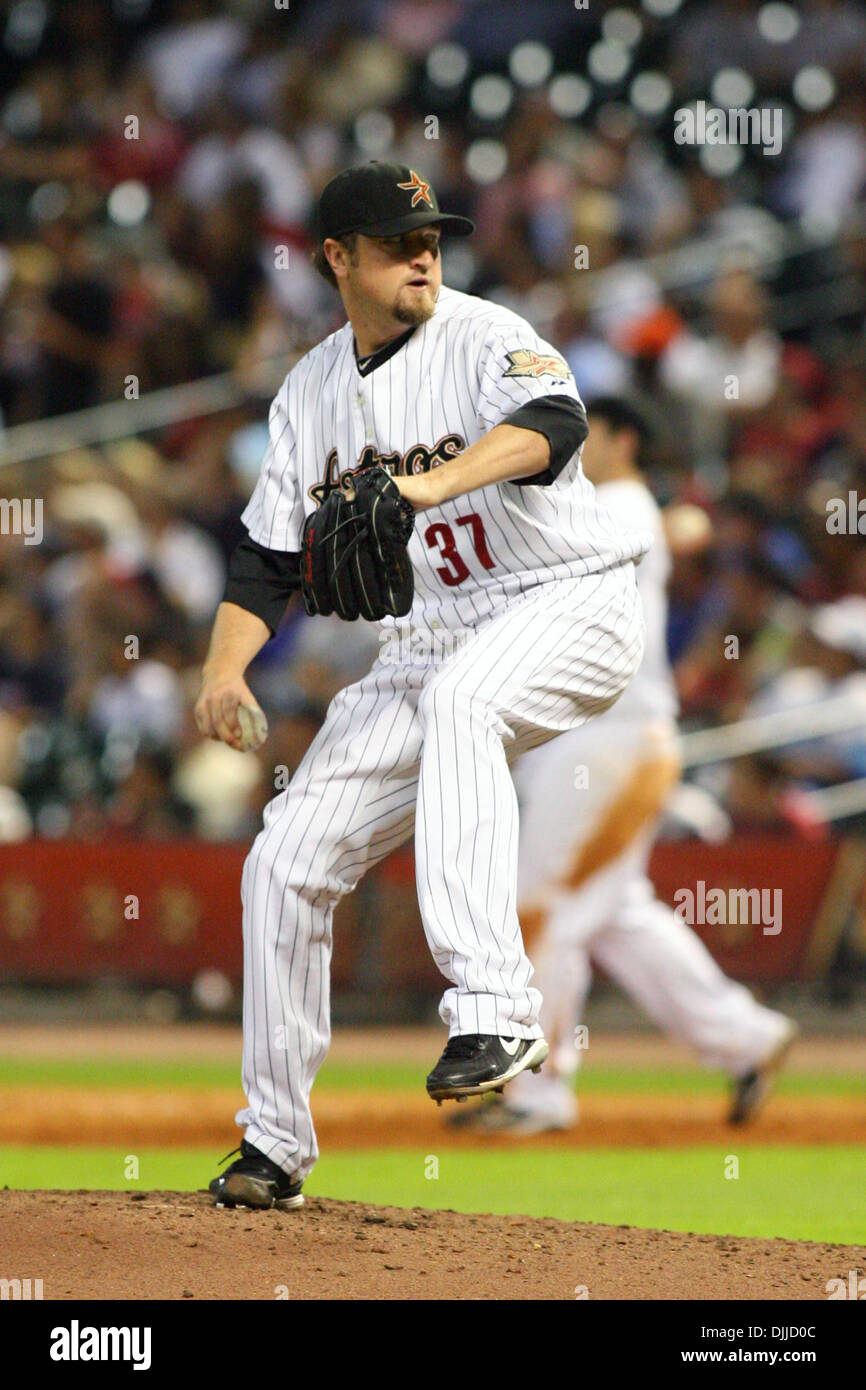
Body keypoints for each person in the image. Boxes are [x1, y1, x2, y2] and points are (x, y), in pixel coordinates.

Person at [195, 163, 649, 1211]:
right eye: (398, 240)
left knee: (463, 705)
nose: (422, 254)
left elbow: (556, 423)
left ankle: (494, 1005)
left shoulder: (483, 333)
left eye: (431, 236)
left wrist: (429, 483)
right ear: (335, 257)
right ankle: (273, 1142)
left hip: (566, 593)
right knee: (285, 861)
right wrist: (223, 667)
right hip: (432, 633)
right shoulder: (308, 392)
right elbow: (269, 559)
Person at [452, 398, 796, 1136]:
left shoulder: (621, 504)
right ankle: (746, 1039)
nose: (571, 446)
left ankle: (538, 1092)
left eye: (587, 433)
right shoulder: (618, 505)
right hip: (601, 741)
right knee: (613, 914)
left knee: (539, 907)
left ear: (623, 436)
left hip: (610, 743)